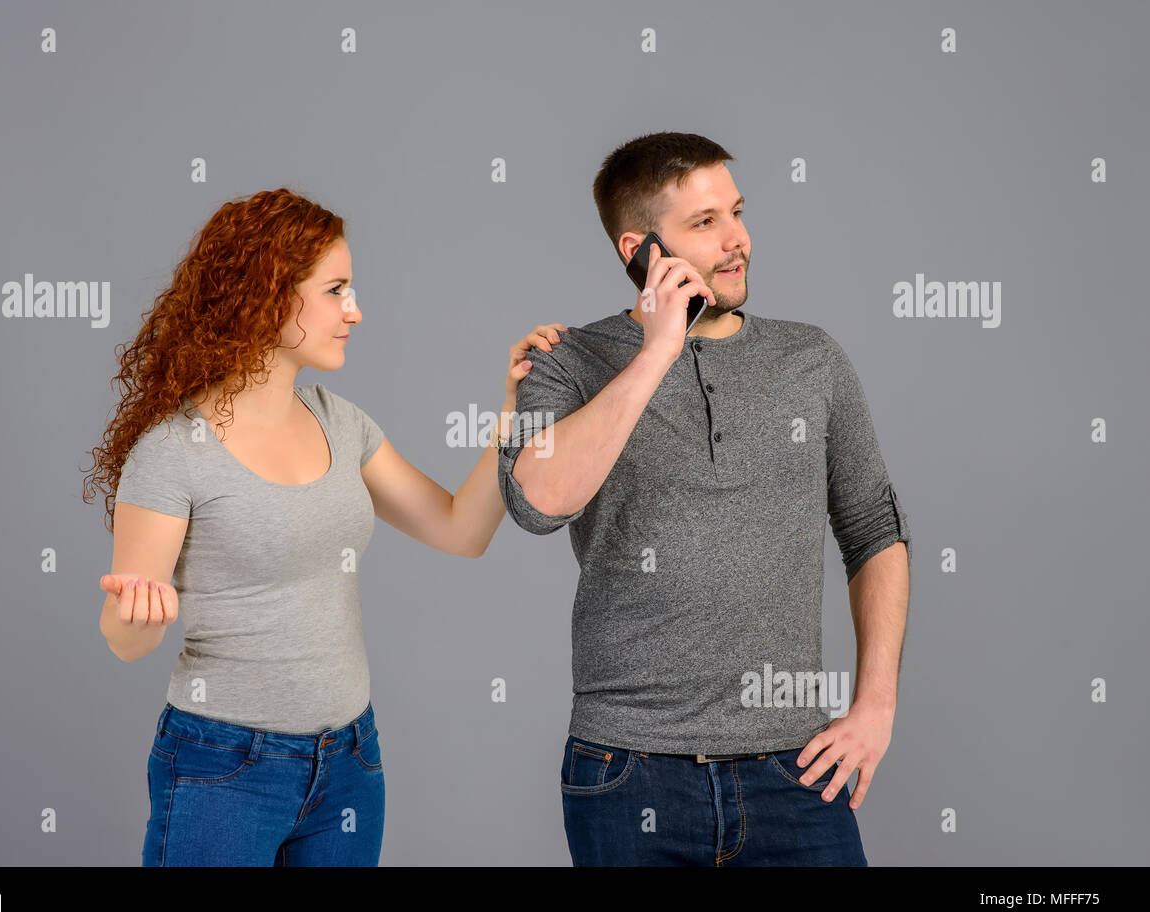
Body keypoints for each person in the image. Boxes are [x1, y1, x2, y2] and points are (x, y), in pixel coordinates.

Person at [82, 187, 567, 866]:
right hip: (224, 768)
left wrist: (513, 409)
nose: (355, 311)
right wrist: (141, 614)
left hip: (348, 764)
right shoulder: (172, 452)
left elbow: (462, 529)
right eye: (336, 290)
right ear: (269, 295)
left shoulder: (341, 421)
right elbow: (124, 639)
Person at [497, 131, 913, 866]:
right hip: (627, 770)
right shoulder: (567, 362)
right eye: (704, 223)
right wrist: (660, 347)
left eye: (737, 212)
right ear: (639, 250)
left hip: (795, 765)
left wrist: (876, 705)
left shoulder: (811, 358)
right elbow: (537, 501)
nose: (737, 240)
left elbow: (873, 527)